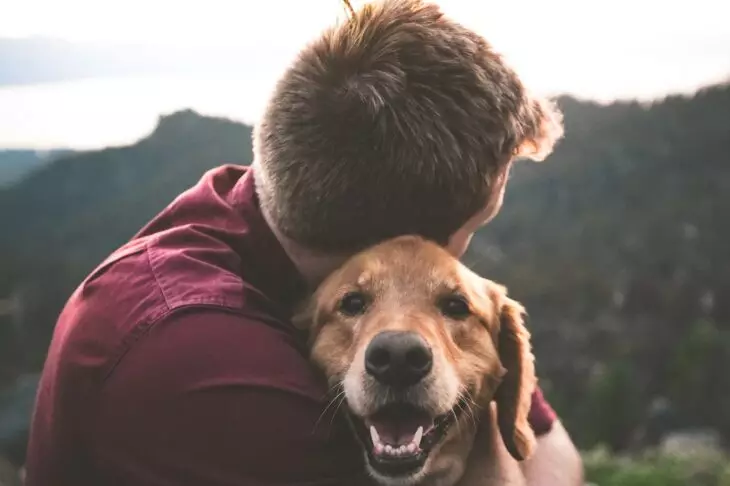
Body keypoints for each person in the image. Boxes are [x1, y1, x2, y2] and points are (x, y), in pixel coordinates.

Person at [25, 1, 583, 485]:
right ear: (405, 240)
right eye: (476, 225)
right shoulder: (202, 363)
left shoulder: (262, 207)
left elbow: (551, 446)